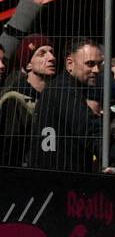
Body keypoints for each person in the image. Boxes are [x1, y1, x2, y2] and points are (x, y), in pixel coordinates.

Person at [30, 37, 104, 172]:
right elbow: (90, 131)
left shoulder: (72, 88)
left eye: (100, 64)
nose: (97, 70)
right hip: (60, 179)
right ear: (70, 64)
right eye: (90, 64)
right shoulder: (63, 90)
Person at [0, 33, 55, 167]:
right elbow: (10, 150)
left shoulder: (57, 98)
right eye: (42, 54)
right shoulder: (15, 99)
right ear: (28, 64)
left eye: (52, 52)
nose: (52, 58)